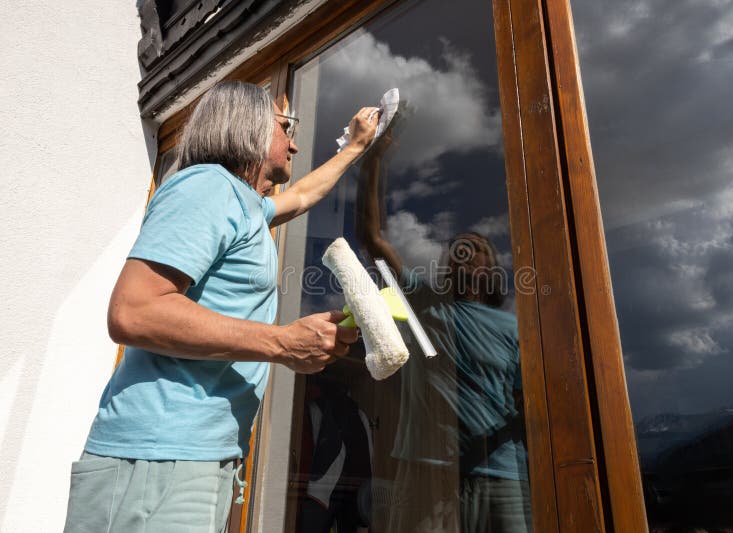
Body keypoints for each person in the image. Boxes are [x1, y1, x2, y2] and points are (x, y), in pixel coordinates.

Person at [63, 81, 379, 533]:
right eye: (285, 127)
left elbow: (305, 194)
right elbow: (133, 311)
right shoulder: (206, 187)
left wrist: (355, 148)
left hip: (194, 456)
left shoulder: (249, 208)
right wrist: (283, 342)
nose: (293, 142)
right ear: (246, 127)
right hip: (158, 456)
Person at [355, 130, 532, 533]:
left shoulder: (513, 327)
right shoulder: (425, 303)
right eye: (457, 248)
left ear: (490, 269)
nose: (464, 252)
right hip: (428, 470)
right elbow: (372, 239)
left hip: (501, 472)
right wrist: (373, 160)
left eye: (476, 249)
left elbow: (527, 402)